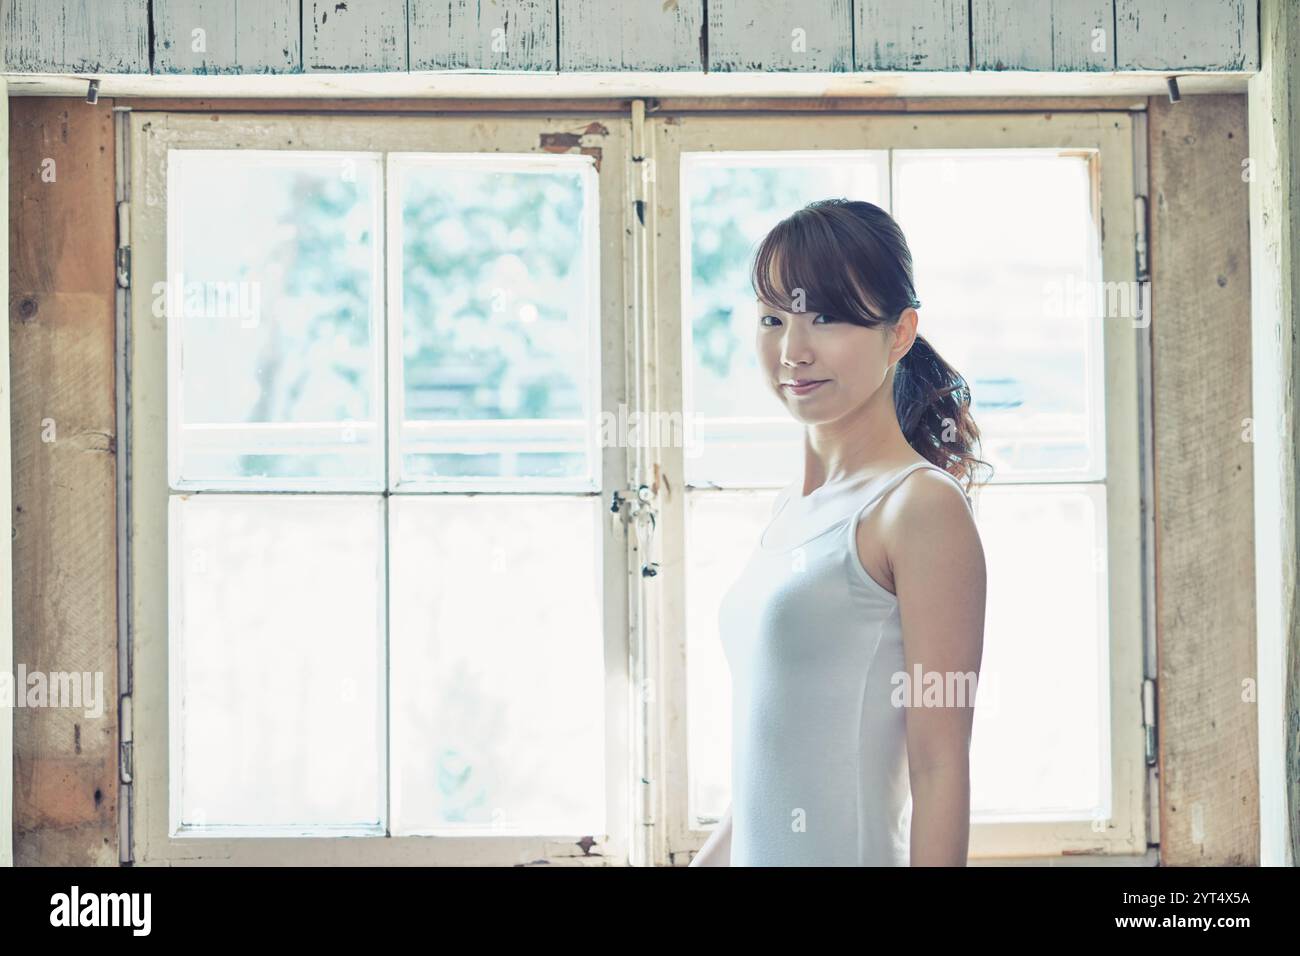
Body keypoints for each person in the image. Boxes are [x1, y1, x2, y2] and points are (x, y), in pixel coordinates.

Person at [689, 198, 989, 867]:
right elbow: (765, 787)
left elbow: (940, 768)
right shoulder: (789, 513)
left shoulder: (918, 508)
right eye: (773, 319)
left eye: (825, 318)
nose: (793, 350)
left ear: (900, 333)